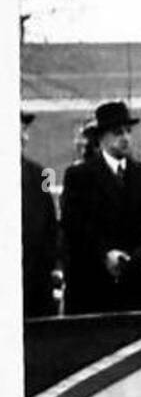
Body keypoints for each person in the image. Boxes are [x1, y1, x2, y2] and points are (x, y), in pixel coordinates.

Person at [60, 100, 141, 314]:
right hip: (96, 286)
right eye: (118, 132)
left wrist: (136, 258)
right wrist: (105, 254)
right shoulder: (80, 176)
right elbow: (75, 226)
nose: (125, 138)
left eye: (128, 131)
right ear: (101, 138)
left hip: (139, 285)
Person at [21, 111, 59, 318]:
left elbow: (50, 225)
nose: (24, 136)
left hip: (35, 288)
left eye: (25, 130)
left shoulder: (41, 175)